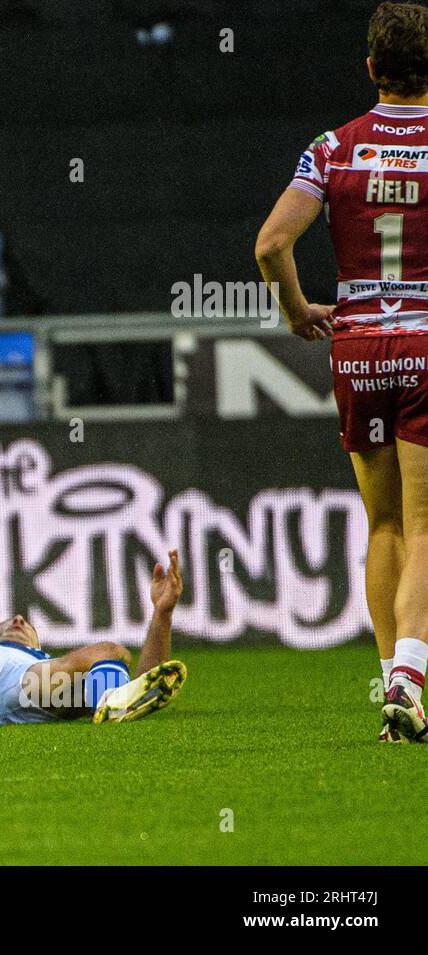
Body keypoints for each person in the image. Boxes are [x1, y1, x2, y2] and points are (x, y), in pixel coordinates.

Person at [255, 1, 428, 742]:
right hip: (425, 342)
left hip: (356, 349)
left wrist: (296, 312)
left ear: (370, 69)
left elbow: (270, 245)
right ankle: (411, 679)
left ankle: (395, 690)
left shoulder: (333, 148)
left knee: (382, 522)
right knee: (427, 523)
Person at [0, 551, 187, 728]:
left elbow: (148, 681)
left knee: (112, 651)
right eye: (10, 621)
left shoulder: (40, 662)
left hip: (32, 689)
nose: (18, 619)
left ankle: (113, 702)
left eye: (26, 623)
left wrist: (163, 613)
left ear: (38, 646)